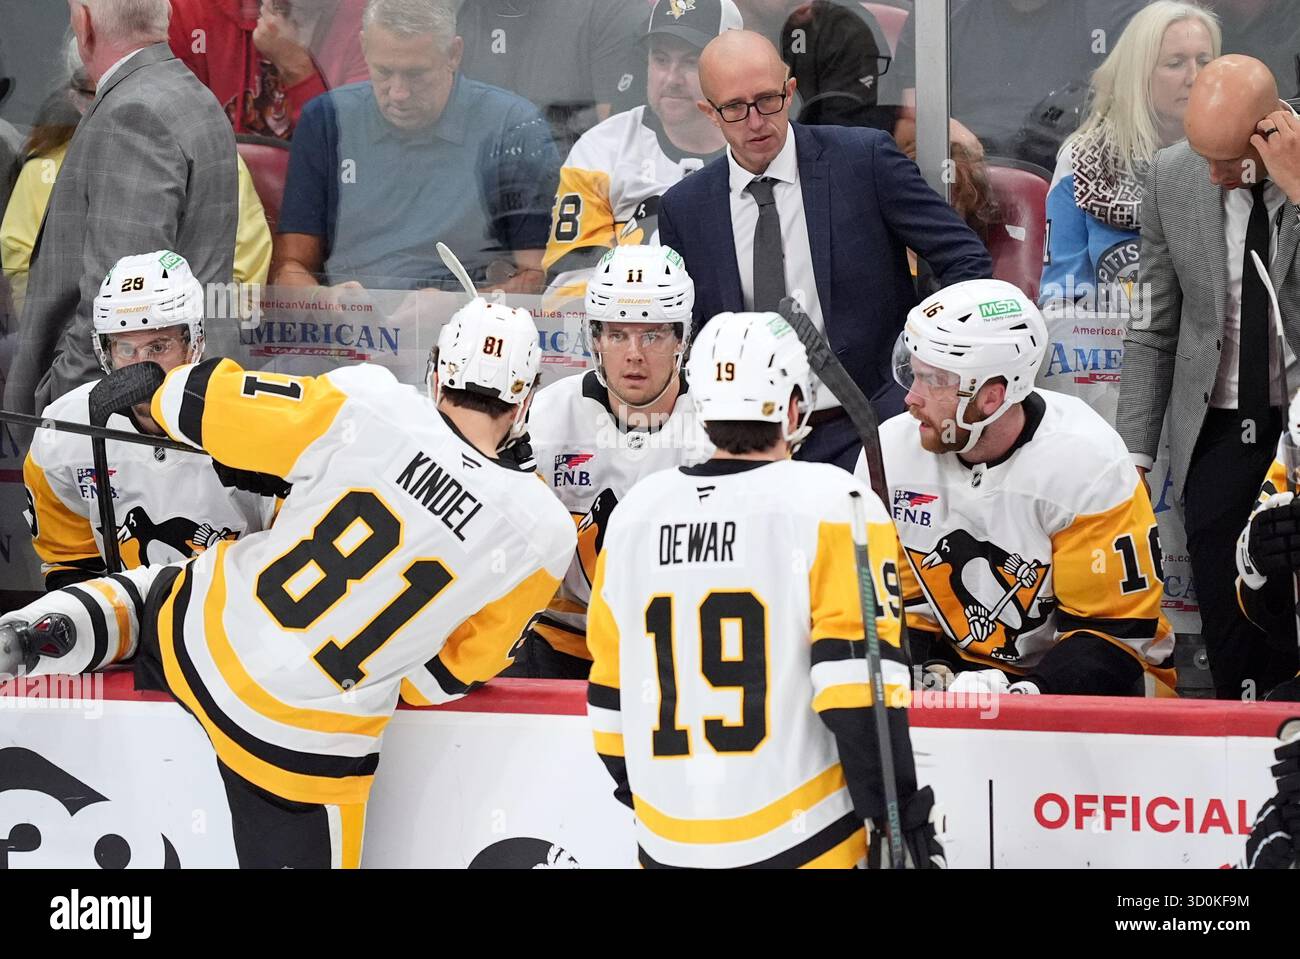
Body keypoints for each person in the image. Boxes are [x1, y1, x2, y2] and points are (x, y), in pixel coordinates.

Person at [0, 297, 575, 868]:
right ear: (524, 401)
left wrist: (154, 392)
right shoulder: (543, 532)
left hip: (202, 638)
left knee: (154, 593)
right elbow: (447, 676)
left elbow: (214, 406)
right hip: (301, 744)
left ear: (436, 370)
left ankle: (53, 630)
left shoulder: (371, 401)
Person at [587, 309, 942, 868]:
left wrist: (655, 804)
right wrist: (898, 818)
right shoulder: (836, 503)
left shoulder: (635, 516)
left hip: (664, 842)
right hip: (803, 841)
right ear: (796, 407)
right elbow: (857, 687)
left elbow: (610, 698)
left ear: (701, 407)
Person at [658, 30, 991, 471]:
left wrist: (923, 371)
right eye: (736, 108)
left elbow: (964, 259)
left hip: (873, 421)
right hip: (747, 437)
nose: (756, 121)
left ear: (790, 90)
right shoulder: (685, 208)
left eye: (767, 100)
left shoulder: (863, 161)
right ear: (709, 113)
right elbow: (691, 331)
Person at [856, 279, 1176, 696]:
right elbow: (900, 611)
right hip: (964, 673)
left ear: (991, 398)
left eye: (933, 381)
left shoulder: (1087, 462)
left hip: (1096, 678)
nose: (910, 399)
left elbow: (1113, 637)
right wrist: (930, 674)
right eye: (913, 374)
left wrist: (1021, 702)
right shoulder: (890, 453)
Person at [1117, 55, 1300, 700]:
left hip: (1296, 422)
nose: (1215, 176)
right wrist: (1133, 454)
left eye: (1230, 161)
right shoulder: (1171, 177)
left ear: (1271, 130)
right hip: (1217, 426)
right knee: (1229, 611)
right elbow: (1153, 322)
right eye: (1204, 156)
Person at [3, 0, 239, 417]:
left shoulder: (134, 112)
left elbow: (121, 313)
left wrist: (65, 419)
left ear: (83, 20)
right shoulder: (192, 96)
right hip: (179, 407)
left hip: (118, 430)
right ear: (162, 15)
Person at [23, 252, 278, 591]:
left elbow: (294, 550)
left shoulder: (258, 422)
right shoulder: (64, 431)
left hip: (236, 615)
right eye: (125, 348)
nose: (140, 365)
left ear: (194, 341)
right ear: (105, 351)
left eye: (158, 346)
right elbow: (70, 561)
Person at [272, 0, 560, 293]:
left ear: (453, 54)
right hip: (350, 327)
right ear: (364, 48)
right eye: (383, 72)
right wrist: (327, 304)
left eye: (416, 74)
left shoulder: (512, 127)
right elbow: (289, 269)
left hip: (471, 330)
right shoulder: (327, 120)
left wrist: (455, 309)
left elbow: (538, 277)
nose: (398, 92)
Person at [519, 245, 712, 678]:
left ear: (682, 338)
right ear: (596, 340)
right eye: (618, 335)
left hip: (676, 649)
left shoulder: (717, 421)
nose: (634, 354)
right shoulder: (546, 416)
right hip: (559, 641)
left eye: (653, 335)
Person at [1, 48, 271, 318]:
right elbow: (21, 279)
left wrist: (178, 333)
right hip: (75, 344)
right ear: (77, 100)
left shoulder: (217, 159)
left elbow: (243, 278)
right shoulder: (42, 170)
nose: (127, 104)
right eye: (106, 93)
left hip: (187, 342)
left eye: (139, 87)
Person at [541, 0, 741, 302]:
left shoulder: (759, 147)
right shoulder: (600, 150)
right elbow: (566, 291)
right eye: (660, 60)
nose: (671, 79)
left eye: (690, 62)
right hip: (626, 340)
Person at [1041, 2, 1220, 316]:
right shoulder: (1082, 160)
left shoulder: (1230, 162)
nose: (1194, 77)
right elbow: (1062, 298)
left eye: (1204, 61)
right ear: (1138, 74)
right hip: (1103, 353)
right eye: (1176, 63)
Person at [890, 0, 1146, 163]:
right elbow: (908, 120)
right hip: (959, 171)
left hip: (1071, 168)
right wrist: (939, 128)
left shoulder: (1116, 10)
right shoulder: (938, 10)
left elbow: (1136, 120)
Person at [455, 0, 649, 154]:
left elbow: (618, 146)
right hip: (471, 182)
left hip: (573, 186)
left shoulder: (612, 9)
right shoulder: (453, 11)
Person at [168, 0, 370, 138]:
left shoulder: (368, 21)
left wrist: (296, 68)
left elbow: (352, 158)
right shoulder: (188, 10)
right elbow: (174, 144)